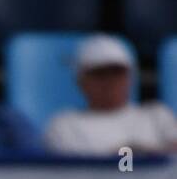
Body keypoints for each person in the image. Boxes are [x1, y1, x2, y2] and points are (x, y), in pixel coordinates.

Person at [45, 35, 177, 156]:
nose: (110, 81)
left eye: (117, 72)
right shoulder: (64, 125)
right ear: (80, 81)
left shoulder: (156, 115)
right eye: (99, 74)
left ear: (131, 77)